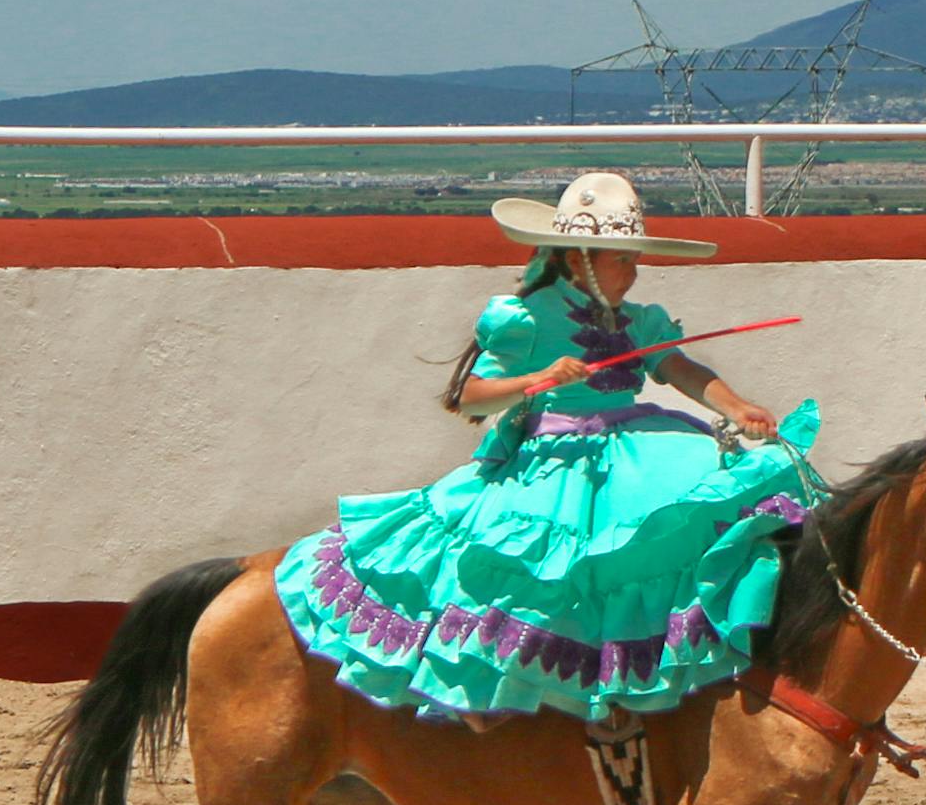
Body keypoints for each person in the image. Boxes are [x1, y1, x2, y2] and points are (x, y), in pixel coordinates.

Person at [275, 171, 814, 725]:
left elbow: (681, 368)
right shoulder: (526, 317)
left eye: (632, 260)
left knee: (708, 498)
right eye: (621, 260)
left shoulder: (641, 321)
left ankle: (660, 672)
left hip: (637, 446)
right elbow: (472, 398)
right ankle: (510, 690)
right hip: (558, 461)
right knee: (551, 570)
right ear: (579, 259)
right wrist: (539, 379)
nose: (633, 271)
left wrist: (736, 406)